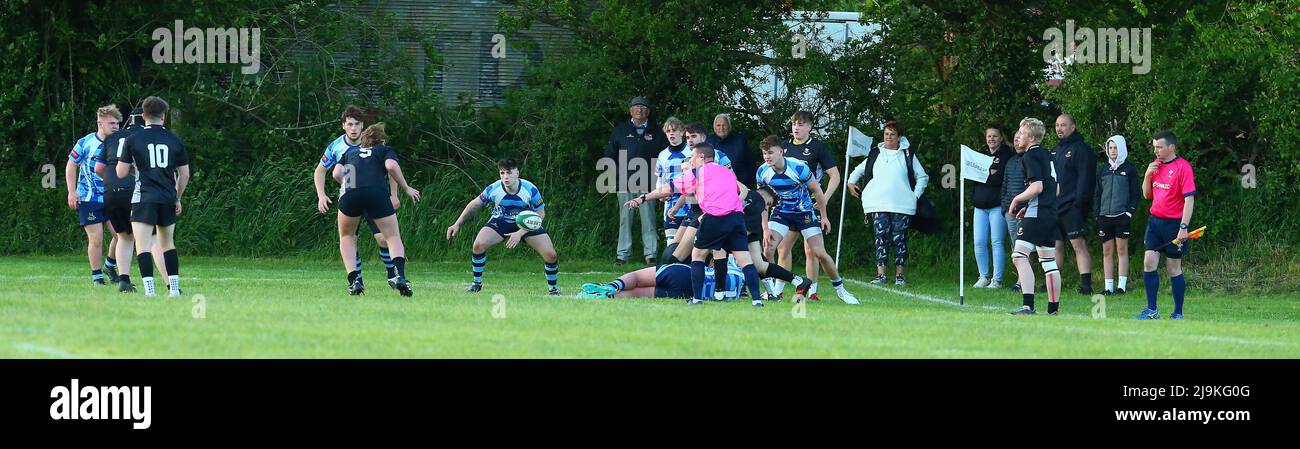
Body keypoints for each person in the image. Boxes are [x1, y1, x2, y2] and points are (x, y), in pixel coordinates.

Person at [625, 143, 765, 307]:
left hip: (714, 218)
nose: (691, 160)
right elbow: (740, 192)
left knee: (698, 256)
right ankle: (756, 300)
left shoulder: (698, 173)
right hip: (736, 218)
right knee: (745, 260)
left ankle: (697, 299)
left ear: (701, 157)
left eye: (692, 157)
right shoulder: (727, 172)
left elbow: (668, 189)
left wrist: (642, 198)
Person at [757, 136, 858, 303]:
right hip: (781, 212)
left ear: (781, 152)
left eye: (770, 153)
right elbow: (763, 200)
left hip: (804, 212)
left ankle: (841, 291)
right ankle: (773, 291)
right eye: (764, 154)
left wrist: (824, 217)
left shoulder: (798, 168)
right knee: (768, 247)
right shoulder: (762, 172)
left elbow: (818, 192)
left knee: (819, 253)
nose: (767, 157)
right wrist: (765, 228)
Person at [315, 106, 400, 290]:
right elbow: (320, 170)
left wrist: (394, 194)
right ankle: (357, 281)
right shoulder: (336, 146)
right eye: (350, 124)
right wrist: (321, 195)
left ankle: (393, 274)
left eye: (357, 124)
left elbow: (391, 168)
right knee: (350, 238)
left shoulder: (371, 141)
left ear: (362, 126)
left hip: (373, 196)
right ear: (343, 126)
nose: (354, 128)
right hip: (350, 197)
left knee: (383, 238)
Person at [447, 158, 561, 295]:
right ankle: (476, 284)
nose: (505, 177)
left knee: (551, 255)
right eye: (502, 173)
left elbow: (541, 214)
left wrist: (520, 233)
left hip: (527, 224)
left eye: (509, 172)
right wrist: (457, 223)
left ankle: (553, 290)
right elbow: (474, 204)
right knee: (478, 245)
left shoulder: (529, 189)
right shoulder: (494, 188)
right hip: (500, 221)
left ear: (517, 173)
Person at [332, 123, 420, 296]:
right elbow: (391, 167)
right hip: (377, 194)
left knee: (347, 236)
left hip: (351, 194)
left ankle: (354, 281)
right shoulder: (383, 150)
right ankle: (400, 276)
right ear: (383, 140)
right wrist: (406, 187)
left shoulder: (350, 153)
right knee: (392, 236)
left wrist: (352, 186)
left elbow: (336, 173)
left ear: (363, 141)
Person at [115, 96, 190, 297]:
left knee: (143, 245)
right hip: (167, 197)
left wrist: (136, 167)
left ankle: (150, 291)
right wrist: (177, 197)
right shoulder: (175, 139)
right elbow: (184, 174)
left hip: (144, 197)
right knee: (167, 244)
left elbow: (120, 173)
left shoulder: (133, 139)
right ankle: (174, 289)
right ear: (163, 117)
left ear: (143, 116)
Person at [846, 121, 929, 286]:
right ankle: (881, 275)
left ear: (899, 137)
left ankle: (900, 276)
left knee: (900, 239)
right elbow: (858, 170)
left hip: (902, 204)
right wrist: (850, 183)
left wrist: (915, 195)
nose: (889, 137)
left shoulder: (907, 155)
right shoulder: (875, 154)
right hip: (878, 204)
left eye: (892, 134)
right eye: (886, 134)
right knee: (880, 239)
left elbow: (922, 176)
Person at [96, 106, 167, 292]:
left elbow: (98, 168)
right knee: (152, 238)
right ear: (145, 119)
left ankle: (124, 281)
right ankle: (170, 284)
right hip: (135, 190)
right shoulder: (147, 137)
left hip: (111, 191)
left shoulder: (112, 138)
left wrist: (111, 183)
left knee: (124, 237)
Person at [774, 110, 840, 299]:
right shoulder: (784, 146)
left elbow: (835, 175)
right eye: (794, 124)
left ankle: (812, 291)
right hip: (788, 206)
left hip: (809, 205)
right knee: (783, 247)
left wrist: (824, 198)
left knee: (811, 250)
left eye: (801, 124)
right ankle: (778, 291)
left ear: (810, 127)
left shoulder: (817, 148)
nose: (797, 128)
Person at [1136, 131, 1196, 320]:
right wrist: (1147, 175)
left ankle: (1178, 313)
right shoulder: (1155, 166)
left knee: (1173, 268)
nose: (1156, 151)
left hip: (1174, 224)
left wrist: (1184, 227)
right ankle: (1152, 309)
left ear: (1171, 147)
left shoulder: (1183, 167)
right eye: (1154, 147)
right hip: (1155, 222)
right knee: (1148, 263)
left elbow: (1189, 200)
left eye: (1159, 147)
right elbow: (1147, 195)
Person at [1007, 117, 1063, 316]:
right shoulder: (1048, 155)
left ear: (1031, 137)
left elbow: (1037, 187)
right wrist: (1029, 206)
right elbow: (1055, 189)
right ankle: (1053, 310)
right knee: (1048, 261)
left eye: (1021, 133)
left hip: (1038, 212)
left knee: (1018, 255)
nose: (1018, 137)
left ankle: (1028, 306)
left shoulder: (1029, 156)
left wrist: (1016, 200)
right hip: (1049, 213)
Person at [604, 96, 665, 265]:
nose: (639, 110)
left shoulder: (657, 132)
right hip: (624, 182)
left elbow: (663, 159)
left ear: (648, 111)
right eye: (636, 107)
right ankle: (622, 255)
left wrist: (658, 180)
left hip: (648, 183)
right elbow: (609, 156)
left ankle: (650, 254)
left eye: (643, 107)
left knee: (649, 219)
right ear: (630, 110)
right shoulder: (620, 130)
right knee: (625, 219)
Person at [67, 105, 120, 285]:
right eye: (112, 123)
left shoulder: (119, 143)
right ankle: (97, 277)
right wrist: (72, 192)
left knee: (122, 235)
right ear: (100, 123)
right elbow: (71, 165)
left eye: (117, 123)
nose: (115, 126)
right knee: (96, 239)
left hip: (113, 197)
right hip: (89, 198)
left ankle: (110, 265)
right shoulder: (86, 142)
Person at [1051, 113, 1097, 294]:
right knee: (1056, 245)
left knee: (1078, 244)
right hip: (1055, 206)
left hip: (1073, 206)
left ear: (1073, 127)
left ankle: (1086, 285)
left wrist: (1079, 203)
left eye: (1063, 125)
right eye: (1056, 125)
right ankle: (1054, 282)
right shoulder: (1054, 151)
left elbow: (1085, 179)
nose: (1059, 129)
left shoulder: (1081, 149)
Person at [1093, 135, 1142, 295]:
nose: (1113, 151)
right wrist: (1097, 213)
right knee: (1107, 251)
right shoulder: (1103, 169)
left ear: (1121, 149)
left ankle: (1121, 286)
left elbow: (1136, 193)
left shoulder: (1129, 169)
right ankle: (1108, 287)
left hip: (1122, 215)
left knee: (1122, 250)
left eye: (1115, 148)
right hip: (1104, 216)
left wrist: (1129, 212)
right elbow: (1098, 193)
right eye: (1110, 148)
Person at [969, 126, 1015, 288]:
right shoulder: (980, 155)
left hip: (997, 205)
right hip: (979, 205)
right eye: (989, 136)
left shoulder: (1007, 155)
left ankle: (997, 280)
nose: (991, 139)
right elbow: (974, 177)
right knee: (979, 242)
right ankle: (983, 276)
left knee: (997, 241)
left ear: (1001, 138)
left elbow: (1000, 179)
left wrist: (988, 177)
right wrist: (989, 176)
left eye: (995, 136)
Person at [1001, 126, 1031, 293]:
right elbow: (1005, 185)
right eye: (1015, 138)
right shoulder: (1011, 161)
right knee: (1015, 245)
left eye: (1020, 137)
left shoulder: (1030, 159)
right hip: (1010, 212)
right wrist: (1005, 207)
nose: (1017, 141)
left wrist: (1025, 205)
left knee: (1024, 245)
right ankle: (1020, 278)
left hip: (1026, 210)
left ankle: (1023, 280)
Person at [707, 113, 755, 187]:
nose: (721, 128)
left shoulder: (740, 141)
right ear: (714, 127)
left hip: (740, 184)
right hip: (716, 186)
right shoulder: (709, 142)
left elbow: (750, 164)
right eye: (718, 125)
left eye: (724, 125)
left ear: (729, 126)